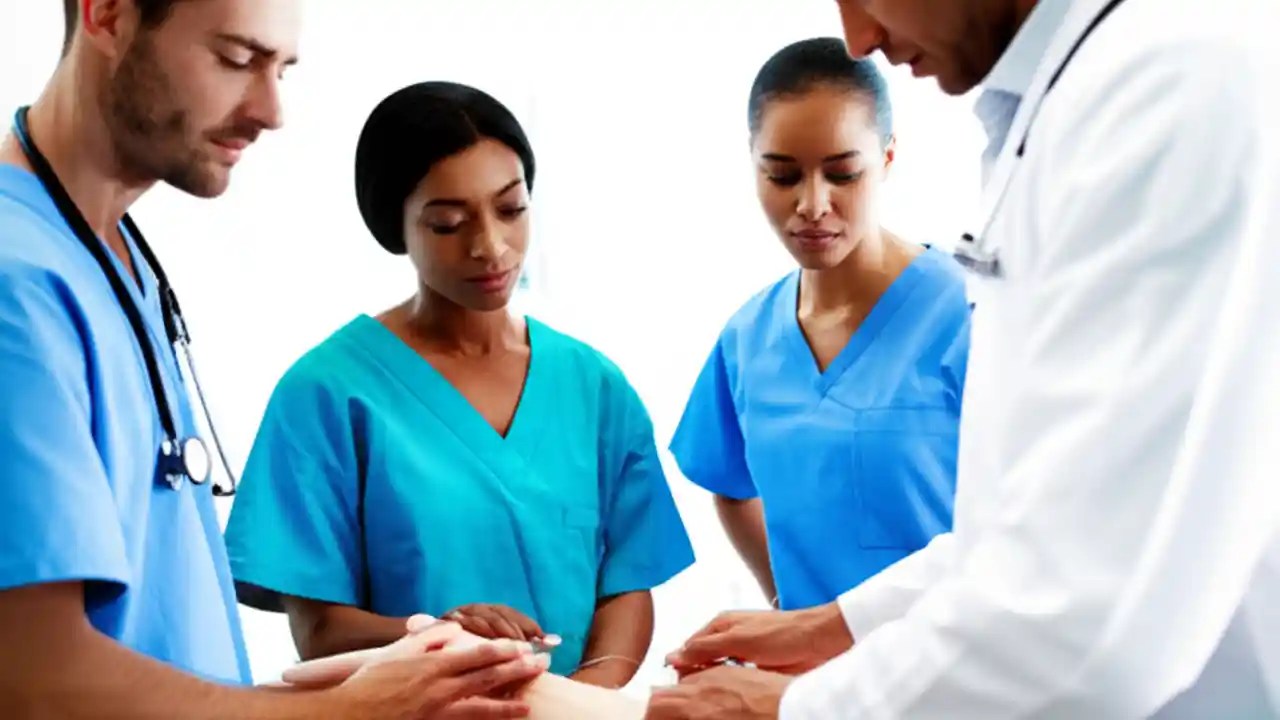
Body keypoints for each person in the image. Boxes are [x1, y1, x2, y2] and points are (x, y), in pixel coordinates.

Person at [647, 0, 1280, 717]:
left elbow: (1081, 621)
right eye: (783, 174)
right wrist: (829, 625)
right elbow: (1010, 533)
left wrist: (792, 706)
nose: (860, 36)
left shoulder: (1171, 85)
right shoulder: (1060, 106)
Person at [0, 1, 550, 717]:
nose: (271, 111)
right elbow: (31, 677)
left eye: (282, 70)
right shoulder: (17, 281)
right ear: (106, 14)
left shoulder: (109, 259)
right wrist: (343, 713)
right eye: (236, 59)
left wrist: (403, 682)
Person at [222, 80, 696, 690]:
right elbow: (319, 631)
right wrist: (435, 633)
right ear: (394, 226)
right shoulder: (326, 396)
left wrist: (580, 704)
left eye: (511, 209)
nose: (491, 247)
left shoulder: (593, 386)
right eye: (448, 223)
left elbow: (627, 586)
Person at [669, 37, 968, 613]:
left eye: (843, 174)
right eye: (782, 176)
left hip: (950, 659)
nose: (812, 204)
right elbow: (731, 488)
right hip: (817, 669)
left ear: (886, 158)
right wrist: (792, 613)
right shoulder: (747, 339)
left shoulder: (966, 315)